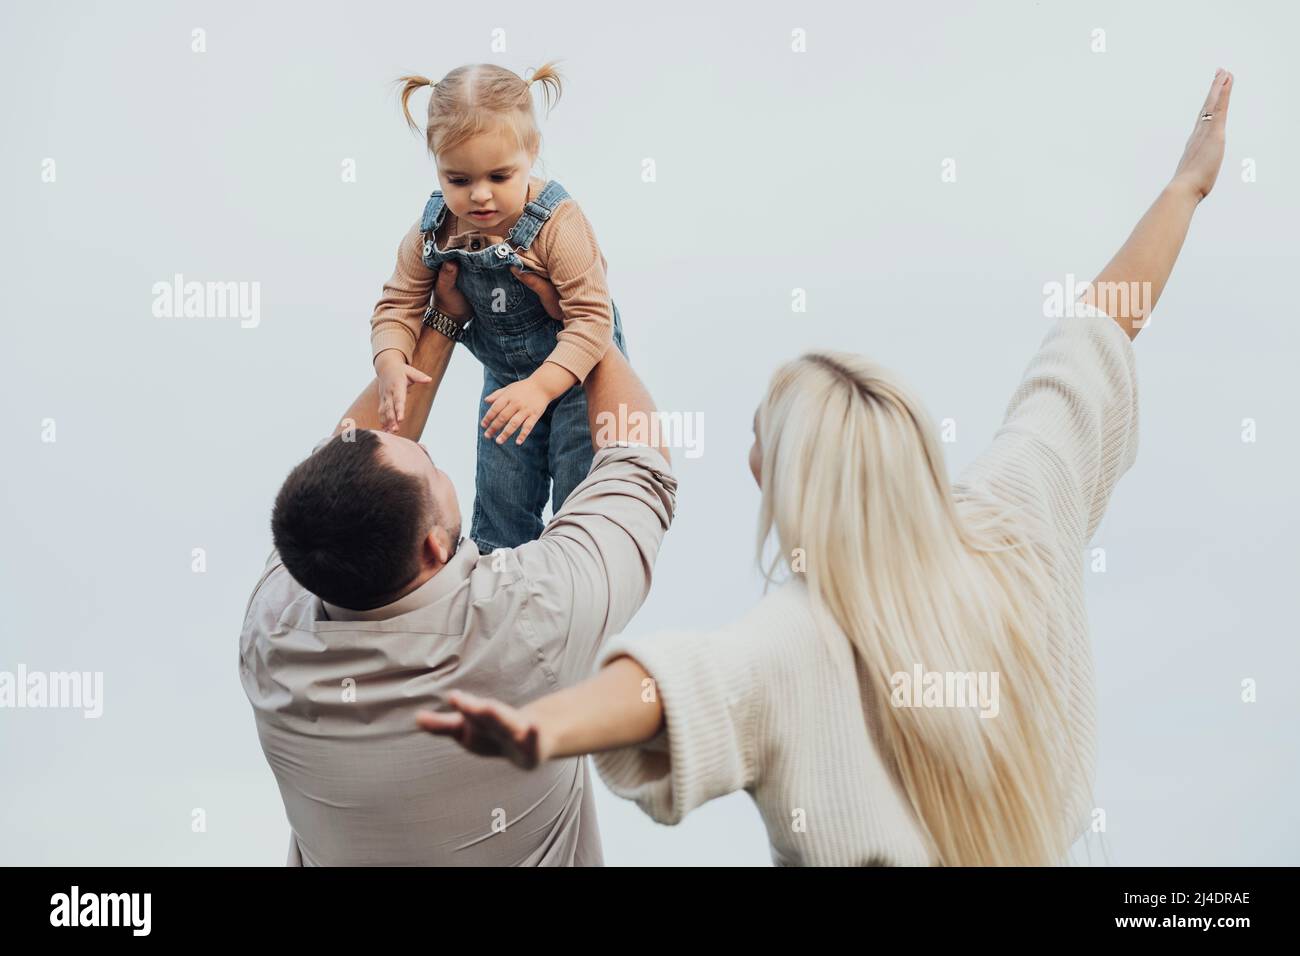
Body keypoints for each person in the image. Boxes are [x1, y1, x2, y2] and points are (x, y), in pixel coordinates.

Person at [420, 70, 1235, 866]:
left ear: (789, 484)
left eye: (759, 442)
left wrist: (545, 729)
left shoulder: (802, 639)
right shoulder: (1022, 511)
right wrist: (1183, 192)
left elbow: (670, 688)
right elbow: (1097, 333)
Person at [239, 260, 675, 865]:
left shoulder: (273, 629)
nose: (425, 449)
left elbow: (340, 474)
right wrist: (584, 318)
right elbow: (638, 465)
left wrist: (444, 319)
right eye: (433, 469)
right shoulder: (531, 617)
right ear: (432, 548)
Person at [371, 60, 630, 554]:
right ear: (438, 167)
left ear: (531, 153)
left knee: (580, 492)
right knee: (500, 497)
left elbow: (593, 321)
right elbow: (399, 301)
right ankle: (501, 595)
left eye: (499, 175)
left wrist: (542, 387)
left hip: (580, 374)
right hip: (507, 381)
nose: (480, 194)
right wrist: (390, 360)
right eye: (459, 179)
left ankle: (573, 583)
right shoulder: (434, 229)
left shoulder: (557, 223)